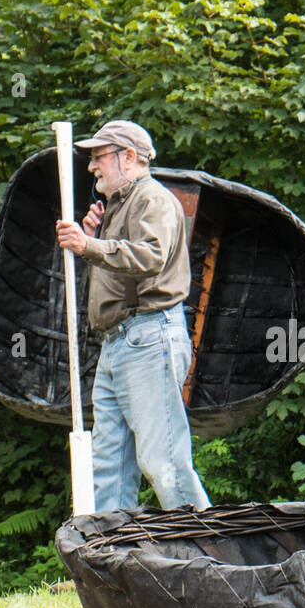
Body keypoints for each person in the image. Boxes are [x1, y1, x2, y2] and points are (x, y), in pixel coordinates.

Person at [55, 119, 211, 512]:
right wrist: (99, 235)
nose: (92, 167)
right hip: (119, 343)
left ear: (128, 157)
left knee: (163, 463)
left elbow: (150, 257)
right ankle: (110, 562)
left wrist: (91, 245)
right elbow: (122, 262)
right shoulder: (121, 205)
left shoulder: (153, 199)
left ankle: (210, 554)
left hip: (148, 336)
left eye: (99, 157)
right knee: (109, 465)